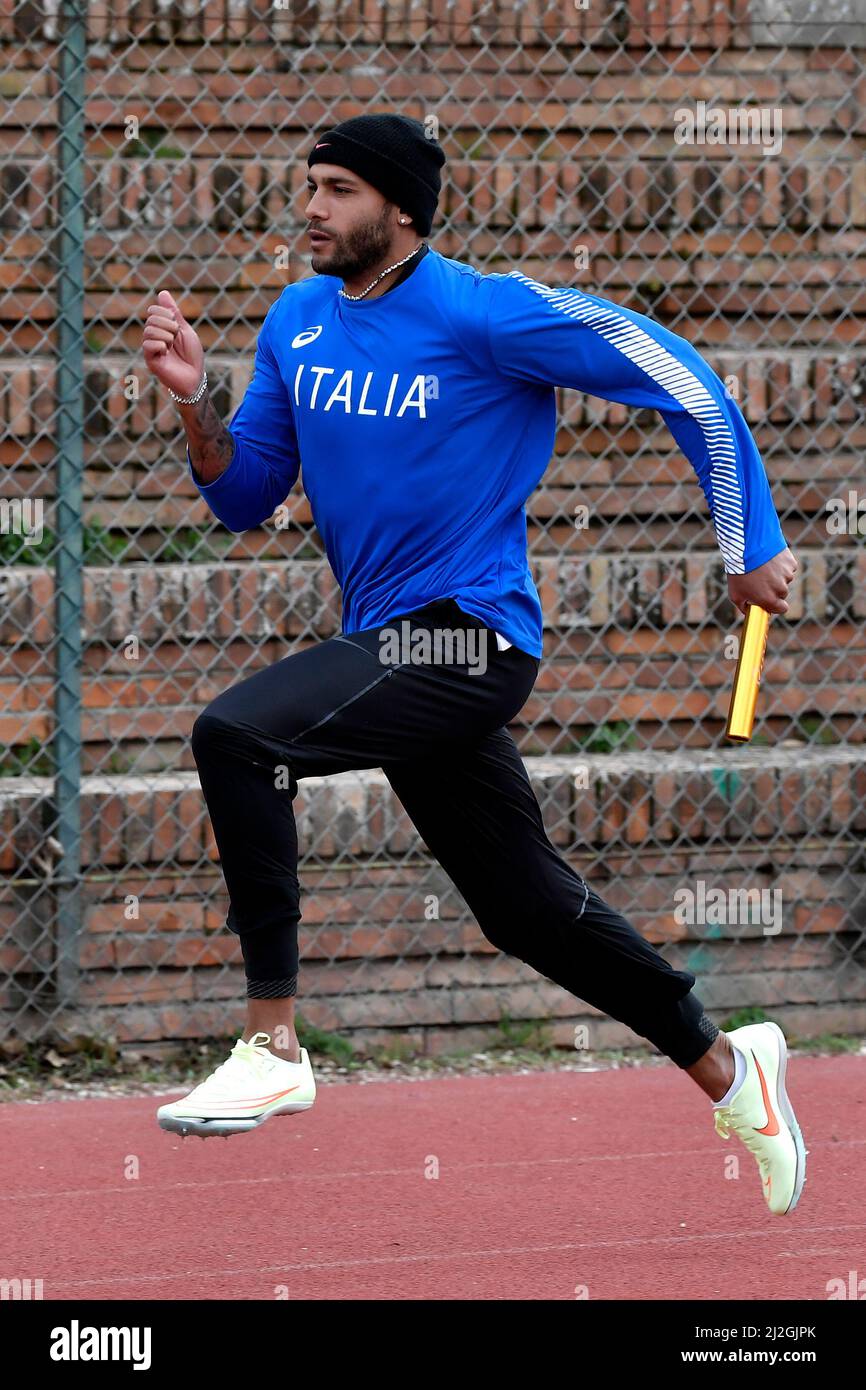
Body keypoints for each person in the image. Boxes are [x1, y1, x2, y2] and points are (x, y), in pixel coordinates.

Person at [142, 114, 805, 1214]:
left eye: (340, 189)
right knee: (521, 908)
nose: (313, 207)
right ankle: (734, 1071)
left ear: (399, 208)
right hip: (392, 647)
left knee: (236, 732)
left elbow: (676, 374)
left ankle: (271, 1043)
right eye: (309, 185)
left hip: (470, 636)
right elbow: (241, 495)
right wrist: (190, 394)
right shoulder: (299, 320)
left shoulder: (480, 310)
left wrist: (748, 544)